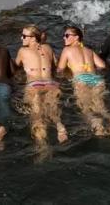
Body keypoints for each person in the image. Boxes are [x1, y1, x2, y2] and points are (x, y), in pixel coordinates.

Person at [57, 26, 110, 138]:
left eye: (67, 35)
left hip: (81, 79)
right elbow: (102, 66)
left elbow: (60, 69)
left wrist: (66, 72)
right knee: (101, 107)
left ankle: (99, 128)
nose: (64, 38)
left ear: (76, 37)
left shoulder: (67, 50)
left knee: (85, 108)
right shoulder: (89, 51)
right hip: (96, 80)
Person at [15, 25, 68, 154]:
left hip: (34, 85)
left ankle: (43, 147)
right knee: (54, 111)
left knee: (37, 117)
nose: (21, 38)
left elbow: (15, 67)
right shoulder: (48, 47)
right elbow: (55, 66)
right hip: (51, 84)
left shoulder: (22, 51)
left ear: (33, 38)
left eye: (24, 36)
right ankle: (60, 127)